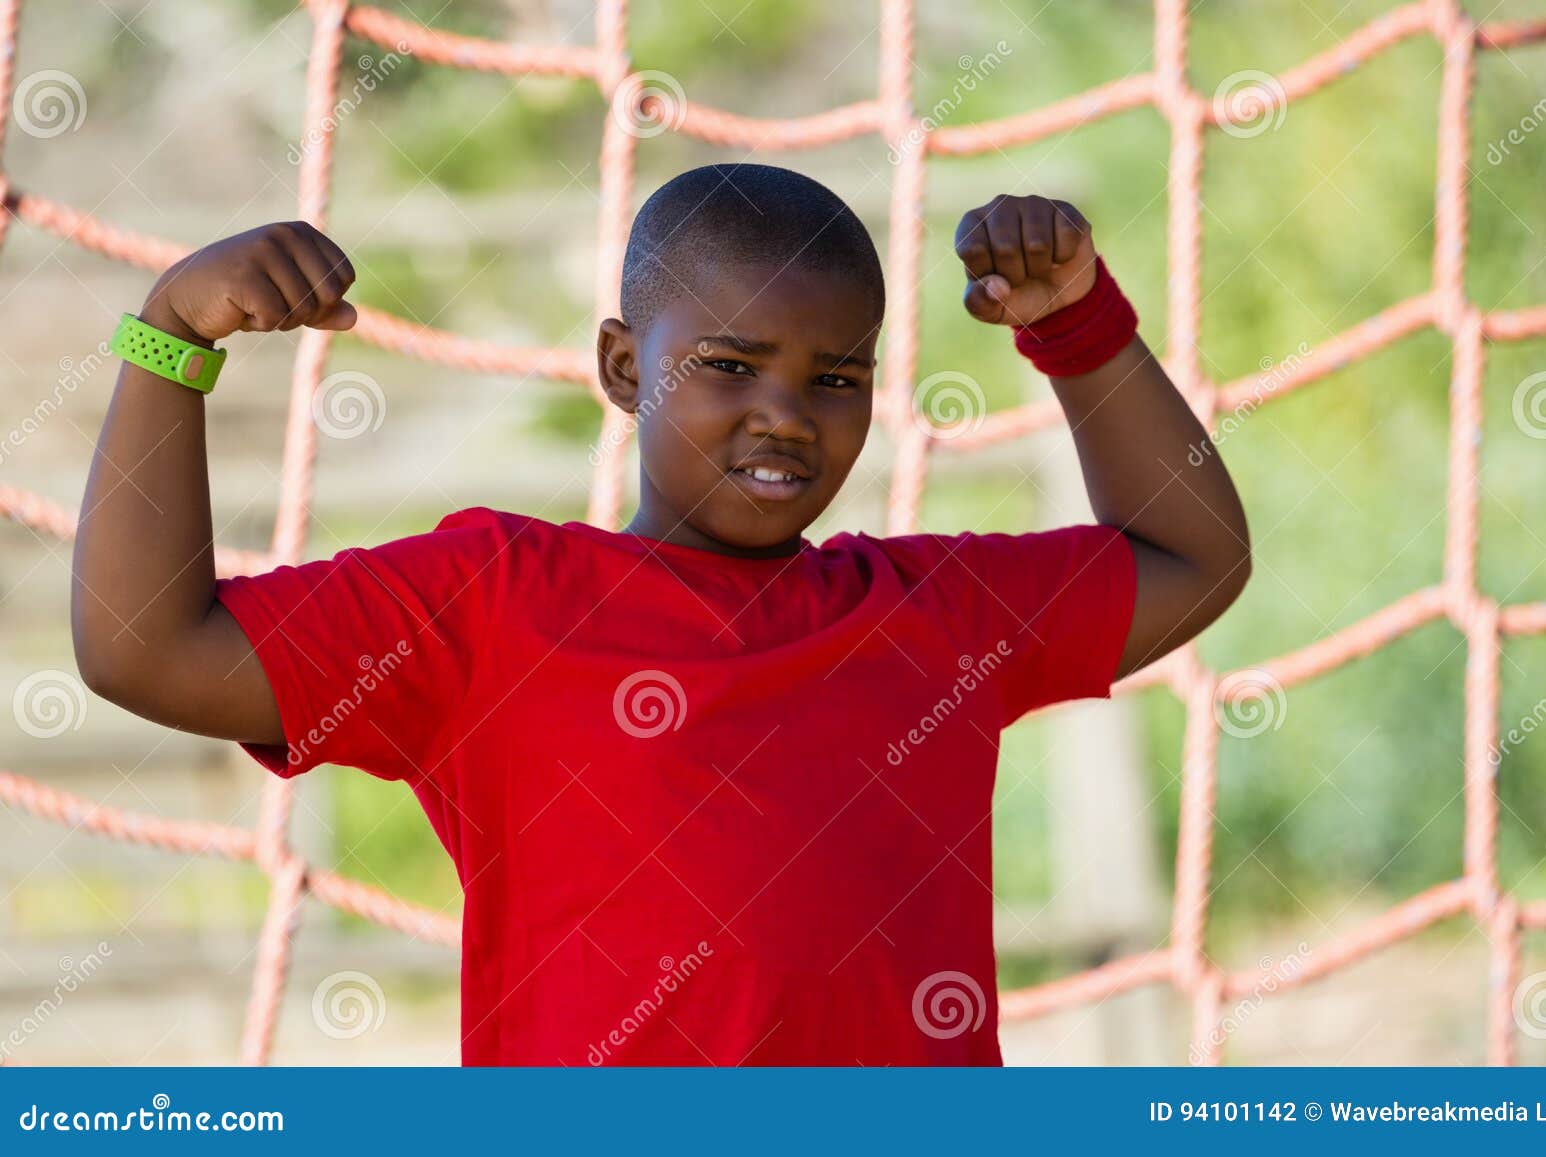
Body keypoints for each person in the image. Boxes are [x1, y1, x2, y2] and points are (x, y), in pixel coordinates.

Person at [71, 163, 1251, 1065]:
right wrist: (169, 336)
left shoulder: (932, 614)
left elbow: (1194, 556)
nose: (787, 413)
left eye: (836, 378)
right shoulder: (493, 601)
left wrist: (1081, 325)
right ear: (627, 367)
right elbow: (147, 648)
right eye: (731, 365)